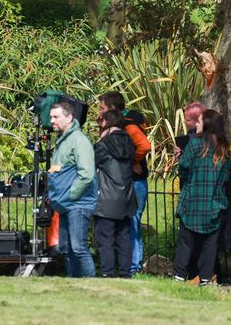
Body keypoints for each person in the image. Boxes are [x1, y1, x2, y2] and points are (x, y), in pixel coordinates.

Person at [173, 109, 231, 286]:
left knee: (186, 241)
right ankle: (206, 278)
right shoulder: (223, 148)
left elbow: (183, 167)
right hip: (214, 203)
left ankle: (179, 275)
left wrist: (180, 159)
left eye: (199, 122)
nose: (197, 125)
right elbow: (226, 178)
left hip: (192, 202)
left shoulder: (196, 144)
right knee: (209, 244)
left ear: (207, 124)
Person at [97, 91, 153, 274]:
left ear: (111, 110)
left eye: (102, 108)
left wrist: (133, 162)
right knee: (125, 228)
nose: (99, 112)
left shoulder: (128, 127)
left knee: (130, 226)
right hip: (126, 185)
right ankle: (127, 269)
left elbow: (145, 145)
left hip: (130, 182)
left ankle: (132, 266)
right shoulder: (120, 130)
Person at [48, 101, 97, 278]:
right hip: (65, 203)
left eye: (56, 117)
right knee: (66, 248)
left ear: (69, 118)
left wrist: (71, 194)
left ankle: (91, 284)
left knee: (78, 247)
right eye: (51, 116)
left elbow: (87, 173)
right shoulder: (62, 141)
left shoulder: (79, 140)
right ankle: (73, 284)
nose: (52, 120)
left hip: (78, 203)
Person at [93, 109, 137, 278]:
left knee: (105, 240)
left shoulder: (104, 145)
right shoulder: (129, 144)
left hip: (106, 199)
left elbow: (89, 164)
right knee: (124, 238)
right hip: (126, 199)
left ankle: (108, 273)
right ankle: (125, 274)